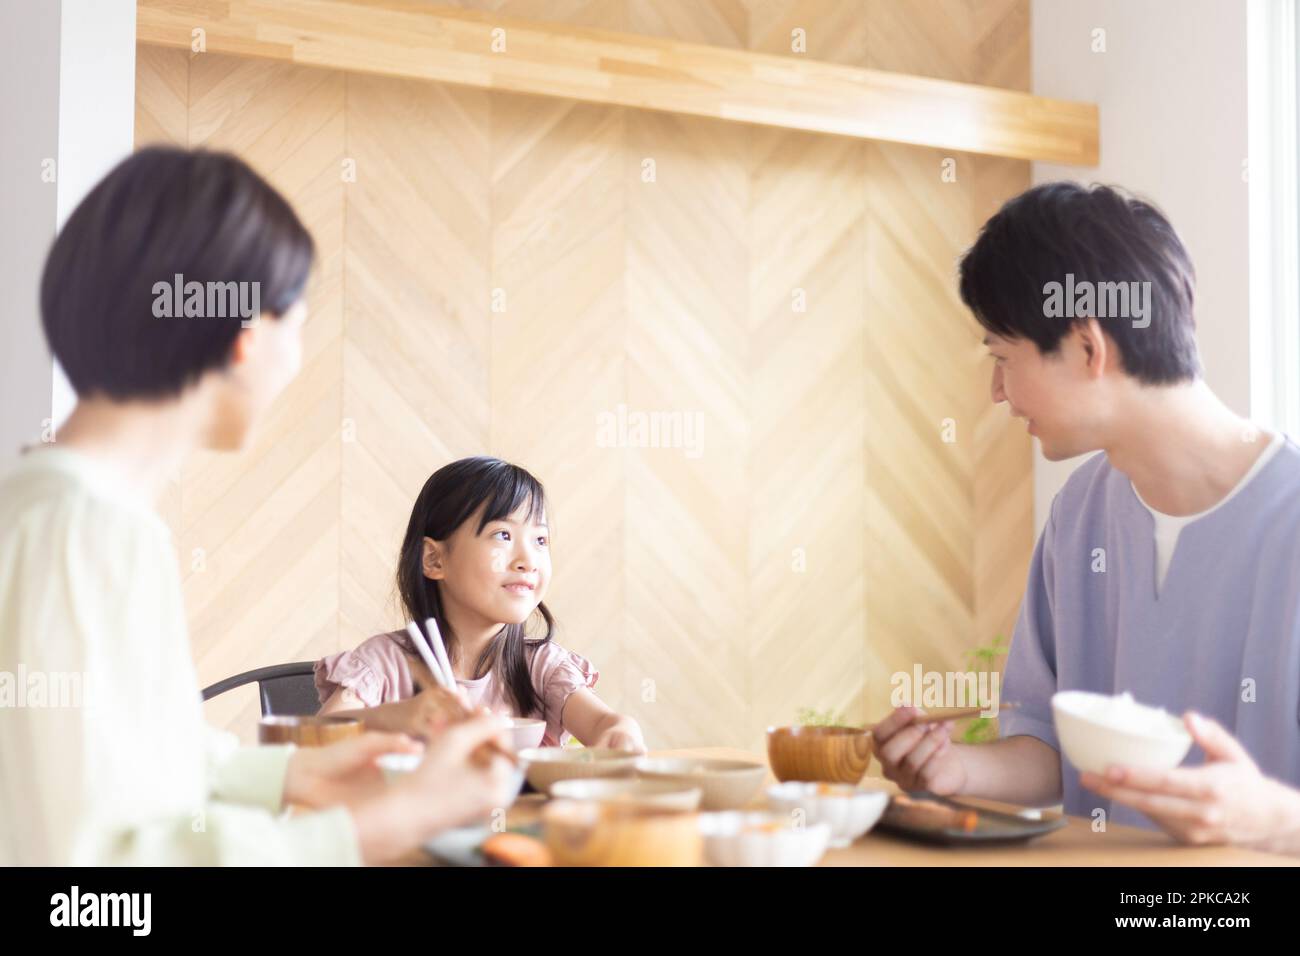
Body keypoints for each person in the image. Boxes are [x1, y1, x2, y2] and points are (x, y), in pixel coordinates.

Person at [0, 146, 517, 865]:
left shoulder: (59, 512)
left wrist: (301, 772)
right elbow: (88, 887)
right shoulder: (82, 533)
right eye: (297, 323)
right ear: (243, 339)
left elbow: (128, 764)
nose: (295, 357)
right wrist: (390, 820)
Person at [873, 182, 1300, 854]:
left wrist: (1278, 820)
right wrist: (958, 770)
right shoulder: (1081, 514)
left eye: (1002, 358)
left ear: (1086, 347)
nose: (996, 393)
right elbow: (1049, 741)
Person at [317, 456, 645, 753]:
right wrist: (398, 716)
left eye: (540, 540)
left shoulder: (542, 668)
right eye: (503, 535)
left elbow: (603, 724)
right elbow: (313, 739)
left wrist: (621, 728)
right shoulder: (386, 663)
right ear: (434, 559)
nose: (528, 560)